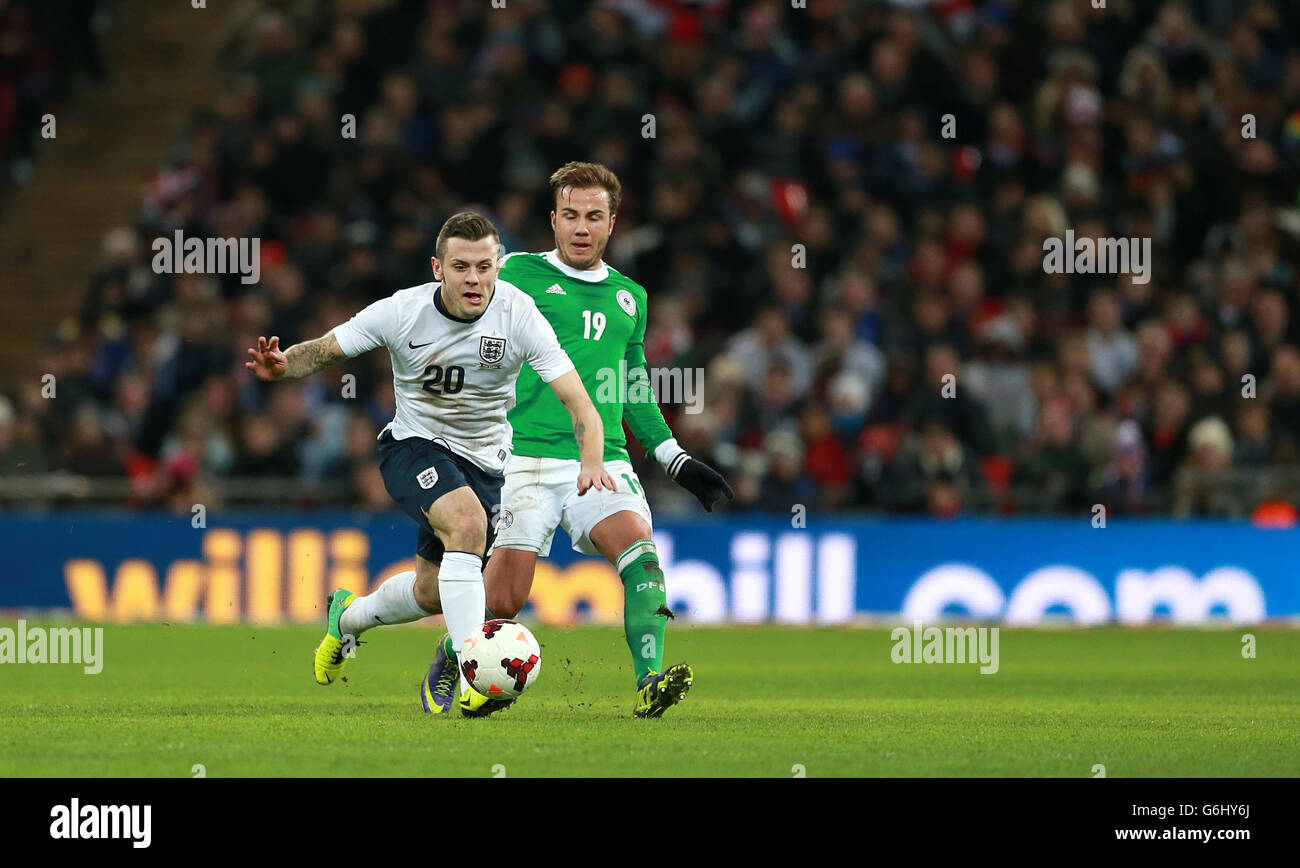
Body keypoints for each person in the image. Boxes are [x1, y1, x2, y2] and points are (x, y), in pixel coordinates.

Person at [245, 211, 613, 717]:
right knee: (467, 524)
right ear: (437, 268)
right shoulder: (402, 312)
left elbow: (580, 404)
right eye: (461, 267)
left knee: (430, 591)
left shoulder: (520, 314)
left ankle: (347, 619)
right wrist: (286, 365)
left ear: (498, 266)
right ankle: (472, 672)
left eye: (485, 266)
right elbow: (328, 349)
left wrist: (591, 459)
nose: (475, 279)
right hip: (413, 445)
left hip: (484, 463)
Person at [440, 162, 733, 718]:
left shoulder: (631, 297)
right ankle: (458, 651)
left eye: (593, 217)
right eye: (570, 215)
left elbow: (634, 384)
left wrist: (674, 458)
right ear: (552, 220)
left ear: (612, 224)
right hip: (521, 457)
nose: (581, 227)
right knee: (502, 601)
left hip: (599, 461)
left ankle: (650, 682)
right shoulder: (513, 274)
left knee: (642, 557)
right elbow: (454, 304)